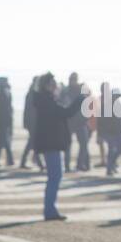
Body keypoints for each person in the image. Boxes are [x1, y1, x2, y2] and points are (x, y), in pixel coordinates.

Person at [33, 71, 84, 220]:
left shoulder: (45, 99)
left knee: (54, 177)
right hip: (51, 144)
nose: (56, 86)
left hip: (50, 143)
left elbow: (63, 113)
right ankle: (50, 210)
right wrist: (80, 99)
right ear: (47, 85)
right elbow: (66, 113)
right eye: (53, 83)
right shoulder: (46, 101)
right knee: (55, 177)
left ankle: (50, 209)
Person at [63, 72, 89, 170]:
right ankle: (69, 165)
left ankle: (78, 164)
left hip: (79, 122)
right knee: (70, 145)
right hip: (71, 122)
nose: (73, 81)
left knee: (83, 144)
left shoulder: (76, 90)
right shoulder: (67, 91)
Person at [20, 77, 42, 168]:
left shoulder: (33, 93)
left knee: (32, 142)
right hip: (33, 123)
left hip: (33, 122)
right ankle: (38, 163)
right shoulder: (32, 94)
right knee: (33, 142)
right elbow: (28, 110)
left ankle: (37, 162)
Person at [0, 77, 13, 165]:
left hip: (3, 121)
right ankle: (9, 159)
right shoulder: (7, 92)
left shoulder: (2, 93)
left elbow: (1, 109)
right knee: (4, 140)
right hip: (6, 120)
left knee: (2, 141)